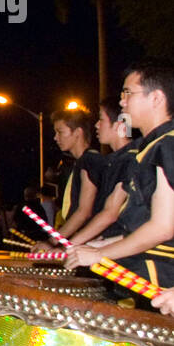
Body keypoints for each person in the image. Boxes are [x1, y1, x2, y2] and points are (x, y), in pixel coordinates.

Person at [67, 59, 174, 292]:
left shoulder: (168, 145)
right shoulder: (150, 148)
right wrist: (99, 244)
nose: (121, 101)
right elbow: (141, 225)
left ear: (156, 98)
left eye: (128, 93)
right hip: (146, 263)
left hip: (161, 272)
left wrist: (99, 253)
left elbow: (163, 228)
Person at [64, 99, 139, 247]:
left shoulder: (131, 159)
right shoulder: (114, 161)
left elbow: (110, 213)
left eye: (101, 119)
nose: (97, 125)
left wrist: (66, 246)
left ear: (120, 125)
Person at [33, 108, 105, 246]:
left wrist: (52, 242)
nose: (55, 137)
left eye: (60, 132)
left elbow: (84, 211)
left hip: (89, 243)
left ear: (78, 132)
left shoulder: (89, 161)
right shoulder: (82, 162)